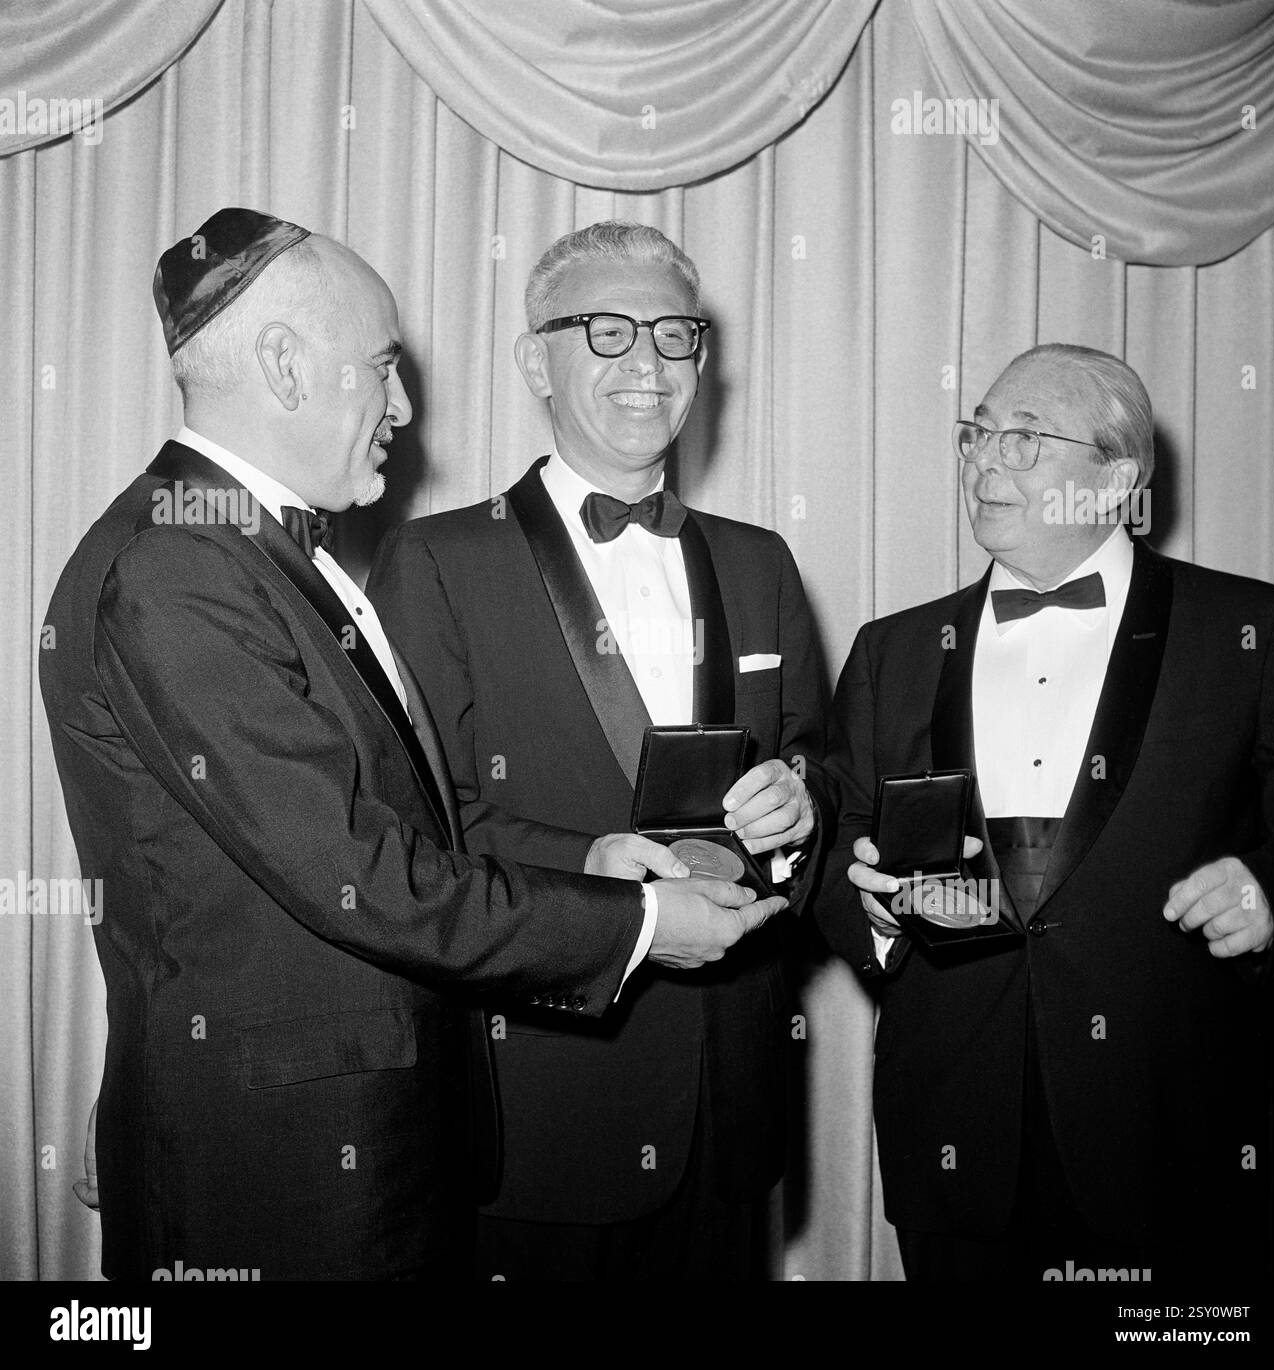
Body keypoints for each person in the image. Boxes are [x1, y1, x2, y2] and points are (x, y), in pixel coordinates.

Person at [39, 208, 784, 1282]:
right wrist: (638, 920)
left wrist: (587, 863)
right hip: (286, 1176)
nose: (404, 405)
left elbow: (389, 836)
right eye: (381, 370)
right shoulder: (179, 565)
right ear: (287, 366)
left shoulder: (246, 551)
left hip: (353, 1151)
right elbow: (357, 876)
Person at [368, 221, 832, 1280]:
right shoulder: (436, 559)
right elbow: (412, 832)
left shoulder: (759, 560)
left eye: (675, 335)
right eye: (609, 330)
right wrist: (590, 874)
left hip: (729, 1100)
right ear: (537, 358)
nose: (648, 363)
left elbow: (822, 761)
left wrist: (801, 802)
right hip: (543, 1105)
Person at [815, 343, 1274, 1282]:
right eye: (977, 435)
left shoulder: (1258, 634)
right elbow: (834, 844)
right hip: (956, 1145)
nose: (985, 461)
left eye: (1025, 439)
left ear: (1117, 478)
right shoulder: (893, 650)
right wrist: (868, 910)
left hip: (1176, 1142)